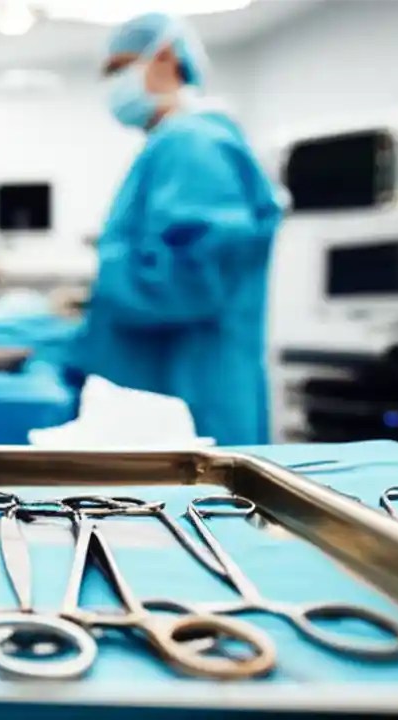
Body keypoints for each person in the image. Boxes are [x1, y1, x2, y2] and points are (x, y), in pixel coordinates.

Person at [71, 12, 283, 446]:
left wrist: (107, 278)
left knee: (198, 509)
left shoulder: (191, 144)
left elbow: (188, 283)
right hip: (176, 384)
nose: (111, 84)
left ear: (165, 57)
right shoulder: (173, 144)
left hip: (189, 393)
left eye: (118, 68)